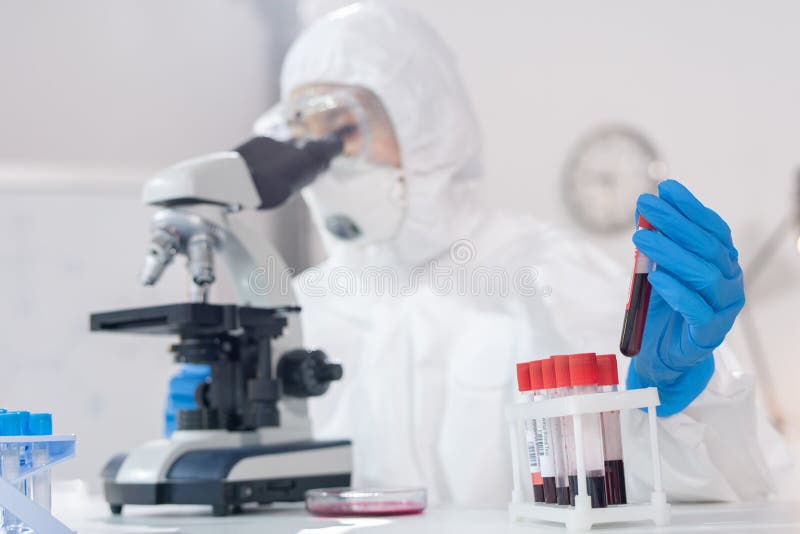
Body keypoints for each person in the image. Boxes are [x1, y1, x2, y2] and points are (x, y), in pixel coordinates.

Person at [167, 2, 786, 505]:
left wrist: (675, 408)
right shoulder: (302, 306)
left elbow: (737, 493)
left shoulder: (550, 276)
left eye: (345, 127)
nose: (328, 159)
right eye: (304, 136)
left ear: (424, 118)